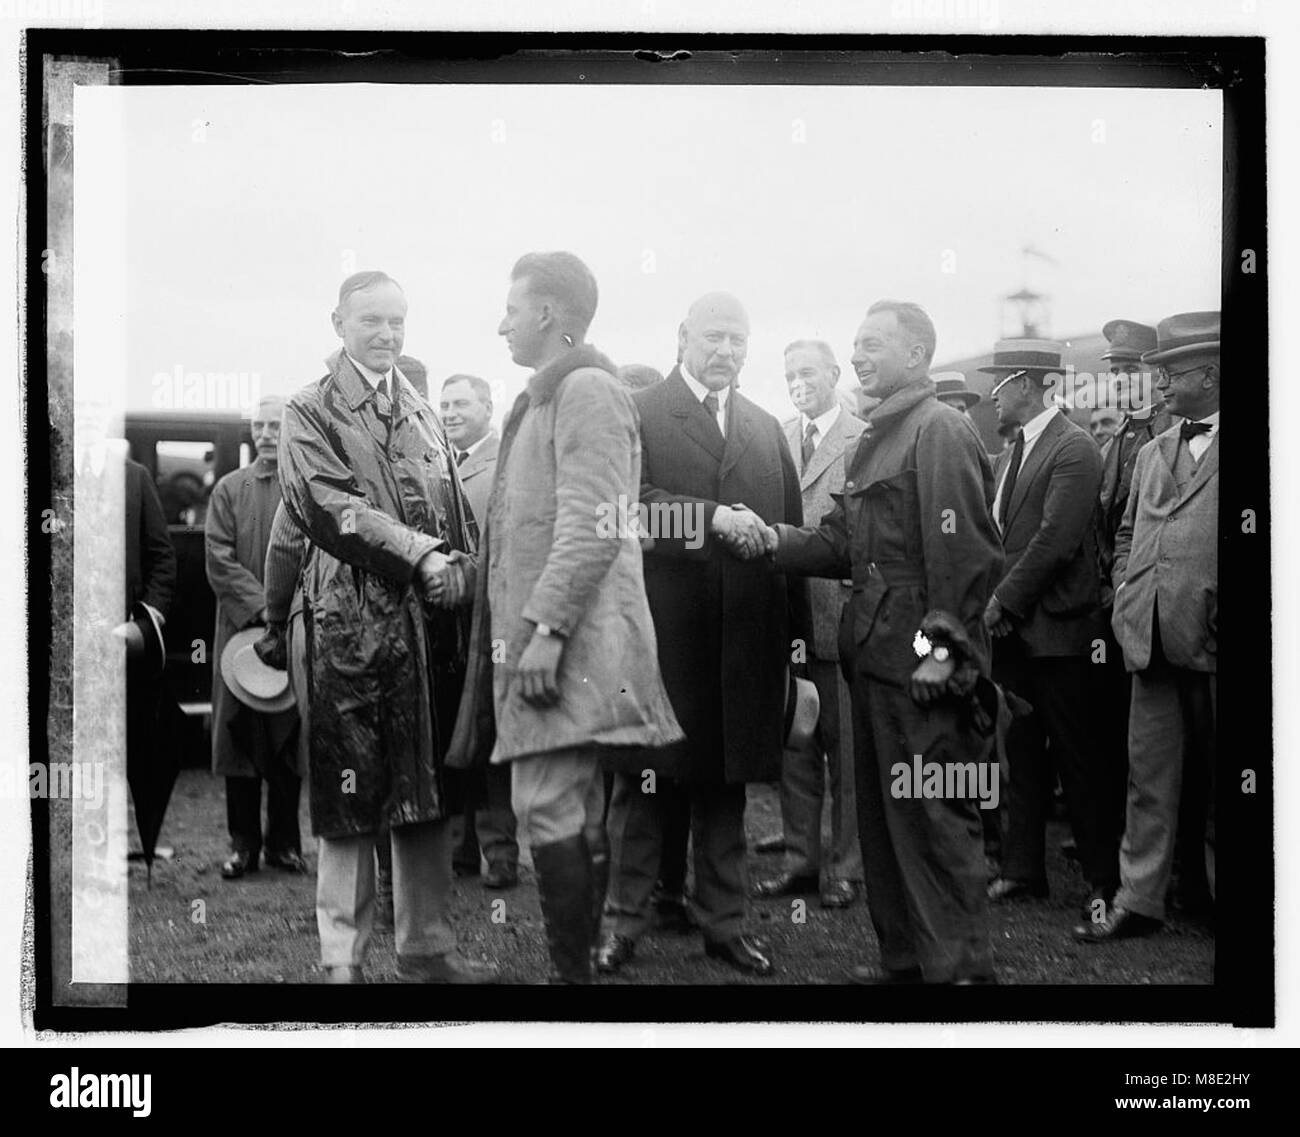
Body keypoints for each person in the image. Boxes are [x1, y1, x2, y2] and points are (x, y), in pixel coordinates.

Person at [446, 251, 682, 983]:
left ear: (548, 314)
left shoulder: (587, 392)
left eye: (511, 311)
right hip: (544, 643)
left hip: (567, 643)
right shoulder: (547, 396)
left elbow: (595, 523)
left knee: (547, 801)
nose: (501, 325)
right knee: (556, 803)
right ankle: (574, 974)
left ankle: (569, 982)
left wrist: (545, 631)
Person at [765, 300, 1004, 985]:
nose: (860, 355)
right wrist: (771, 538)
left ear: (917, 355)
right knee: (884, 819)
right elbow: (842, 542)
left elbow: (964, 558)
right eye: (857, 344)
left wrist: (942, 655)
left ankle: (958, 971)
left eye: (874, 344)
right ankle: (906, 961)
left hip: (923, 669)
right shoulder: (878, 437)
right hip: (875, 660)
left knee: (935, 815)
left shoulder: (941, 430)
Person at [279, 270, 495, 984]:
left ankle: (427, 948)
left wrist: (459, 567)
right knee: (352, 793)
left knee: (423, 787)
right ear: (337, 321)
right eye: (372, 320)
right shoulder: (309, 409)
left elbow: (456, 509)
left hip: (428, 625)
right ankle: (342, 957)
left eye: (398, 320)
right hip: (349, 624)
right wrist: (421, 555)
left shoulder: (423, 411)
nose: (388, 333)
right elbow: (326, 504)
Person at [596, 291, 807, 979]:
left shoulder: (766, 426)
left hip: (746, 643)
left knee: (726, 792)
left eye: (738, 340)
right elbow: (621, 510)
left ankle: (726, 926)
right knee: (643, 791)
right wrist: (710, 519)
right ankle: (621, 925)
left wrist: (795, 651)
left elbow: (792, 544)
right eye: (714, 336)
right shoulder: (639, 413)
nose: (726, 351)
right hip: (661, 640)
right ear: (682, 335)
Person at [1075, 311, 1219, 943]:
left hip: (1214, 644)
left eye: (1171, 373)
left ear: (1210, 375)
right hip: (1150, 639)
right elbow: (1130, 531)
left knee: (1230, 778)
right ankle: (1139, 901)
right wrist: (1128, 601)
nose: (1158, 386)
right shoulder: (1156, 449)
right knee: (1148, 777)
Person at [980, 340, 1113, 919]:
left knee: (1079, 761)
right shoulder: (1014, 454)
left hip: (1059, 634)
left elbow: (1054, 543)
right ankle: (1023, 871)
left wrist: (1000, 602)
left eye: (999, 387)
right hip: (1018, 635)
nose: (993, 399)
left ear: (1028, 384)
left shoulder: (1074, 447)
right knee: (1023, 754)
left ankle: (1104, 882)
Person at [752, 339, 865, 909]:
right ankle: (801, 862)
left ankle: (846, 868)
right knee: (797, 745)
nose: (799, 383)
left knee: (846, 752)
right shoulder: (774, 437)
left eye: (809, 373)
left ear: (834, 374)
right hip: (788, 618)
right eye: (790, 374)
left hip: (840, 617)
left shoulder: (862, 436)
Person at [204, 395, 306, 881]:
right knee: (239, 737)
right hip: (240, 634)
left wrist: (288, 615)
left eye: (276, 425)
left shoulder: (307, 486)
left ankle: (284, 844)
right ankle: (243, 844)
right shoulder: (229, 488)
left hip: (292, 632)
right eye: (260, 425)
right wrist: (266, 609)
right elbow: (218, 560)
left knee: (287, 736)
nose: (267, 433)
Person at [438, 373, 519, 890]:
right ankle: (458, 850)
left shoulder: (503, 466)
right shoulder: (437, 462)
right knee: (452, 732)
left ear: (488, 407)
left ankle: (501, 852)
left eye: (461, 403)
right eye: (444, 404)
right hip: (443, 620)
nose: (449, 412)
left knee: (489, 737)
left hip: (487, 619)